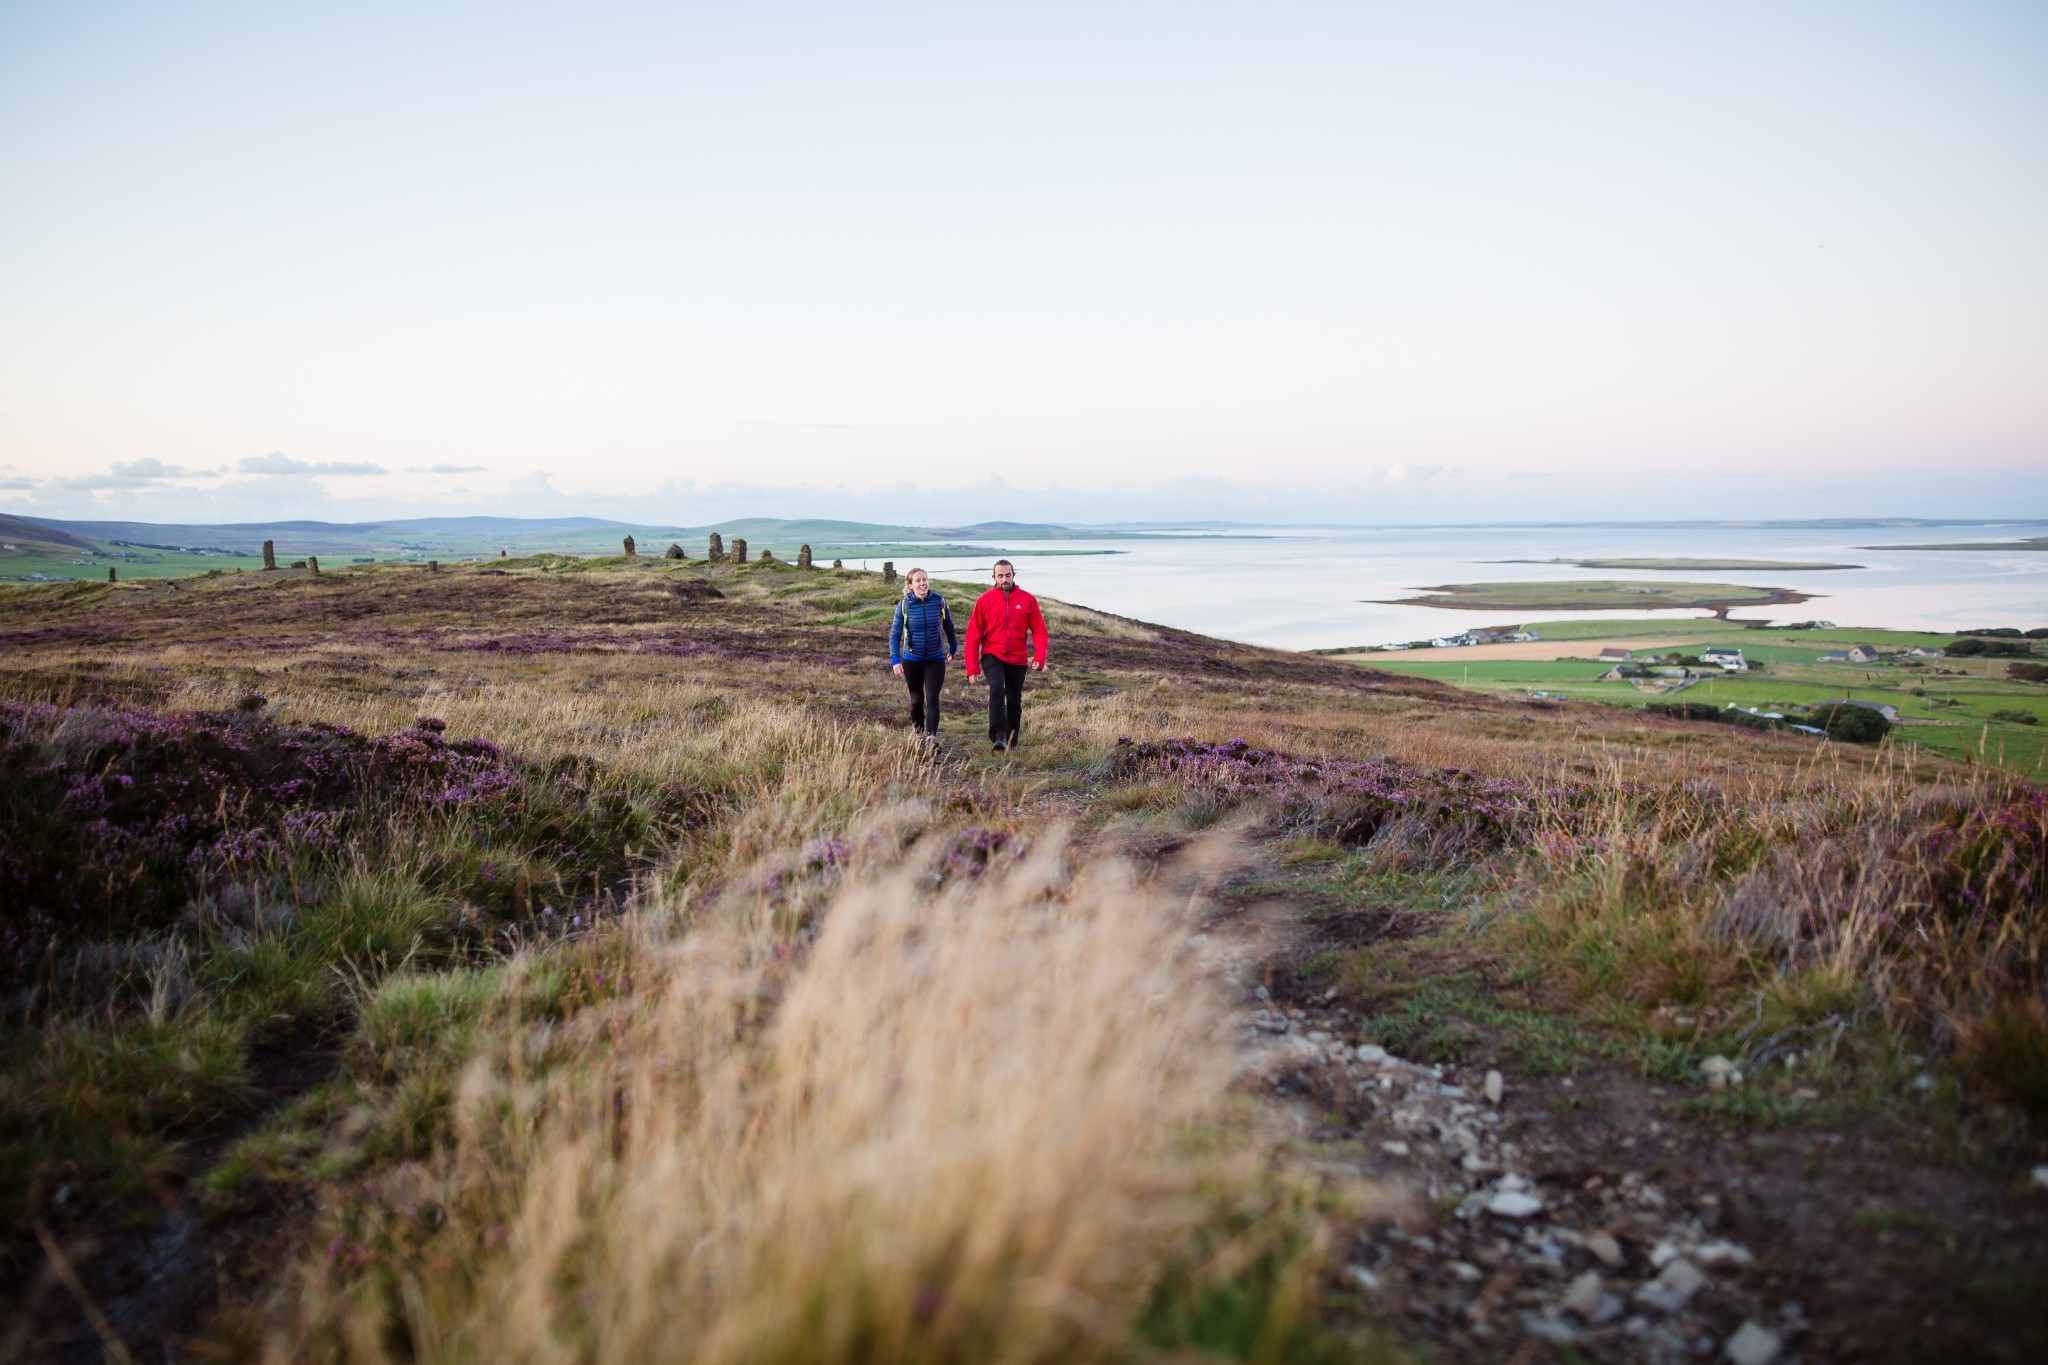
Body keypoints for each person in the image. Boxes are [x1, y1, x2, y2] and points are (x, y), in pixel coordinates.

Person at [963, 559, 1048, 752]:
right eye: (1000, 576)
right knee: (997, 689)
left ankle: (1011, 738)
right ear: (993, 577)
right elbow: (973, 635)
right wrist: (972, 668)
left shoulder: (1028, 600)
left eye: (1007, 575)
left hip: (1018, 659)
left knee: (1014, 699)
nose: (1004, 579)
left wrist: (1039, 657)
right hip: (993, 654)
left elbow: (1040, 631)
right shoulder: (984, 600)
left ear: (1013, 575)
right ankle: (998, 736)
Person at [888, 568, 957, 747]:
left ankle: (931, 738)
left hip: (935, 659)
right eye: (917, 581)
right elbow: (895, 635)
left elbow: (948, 625)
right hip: (912, 660)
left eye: (924, 579)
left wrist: (953, 646)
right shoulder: (904, 605)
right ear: (910, 585)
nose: (922, 583)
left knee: (933, 698)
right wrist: (895, 660)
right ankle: (919, 735)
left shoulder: (939, 601)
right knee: (917, 701)